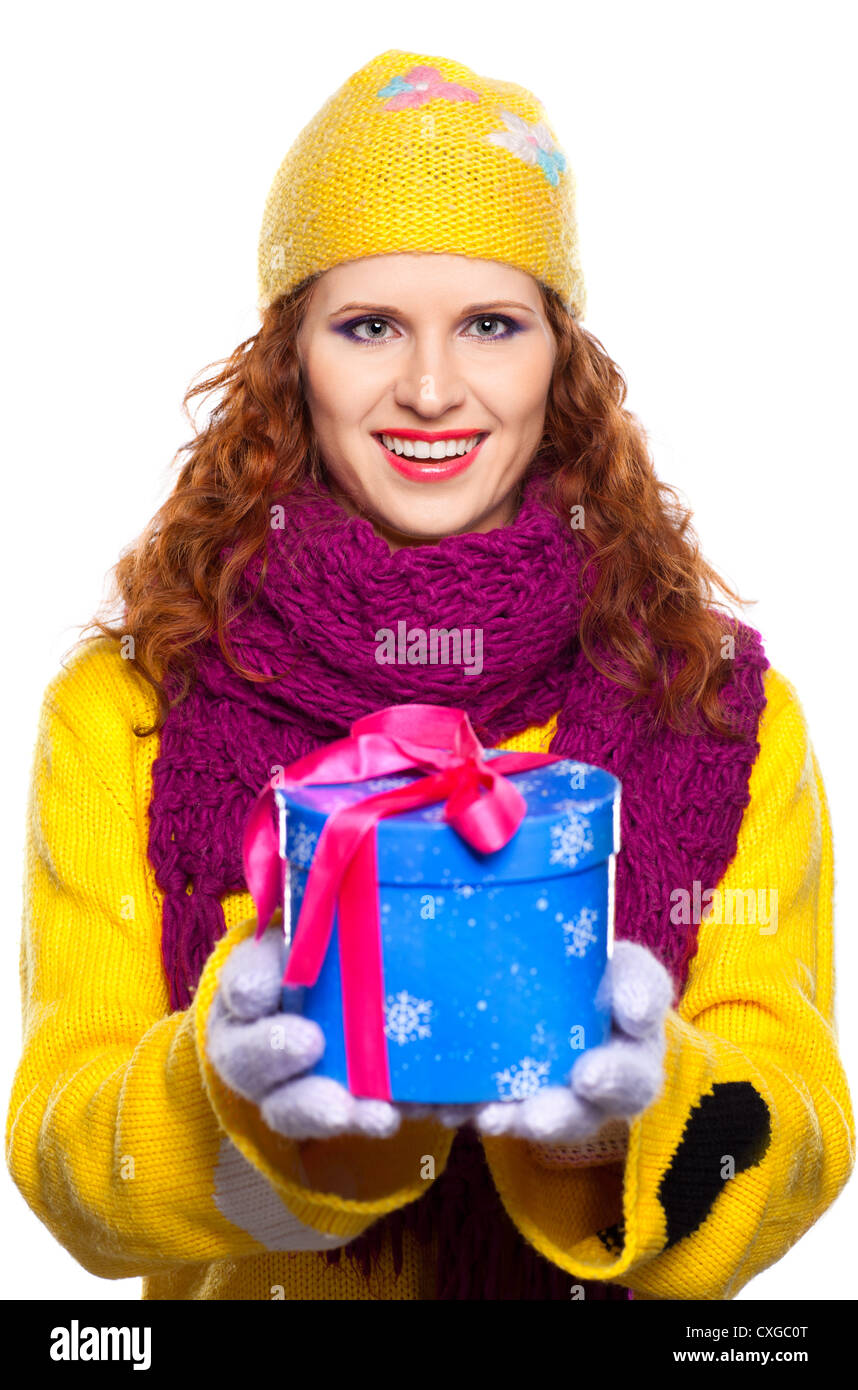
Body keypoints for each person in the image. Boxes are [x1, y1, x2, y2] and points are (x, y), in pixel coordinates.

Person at [6, 48, 854, 1302]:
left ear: (560, 357)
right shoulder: (131, 708)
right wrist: (228, 1092)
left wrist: (627, 1111)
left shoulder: (715, 708)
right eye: (369, 326)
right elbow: (67, 1163)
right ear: (292, 354)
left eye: (492, 325)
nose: (431, 387)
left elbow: (803, 1132)